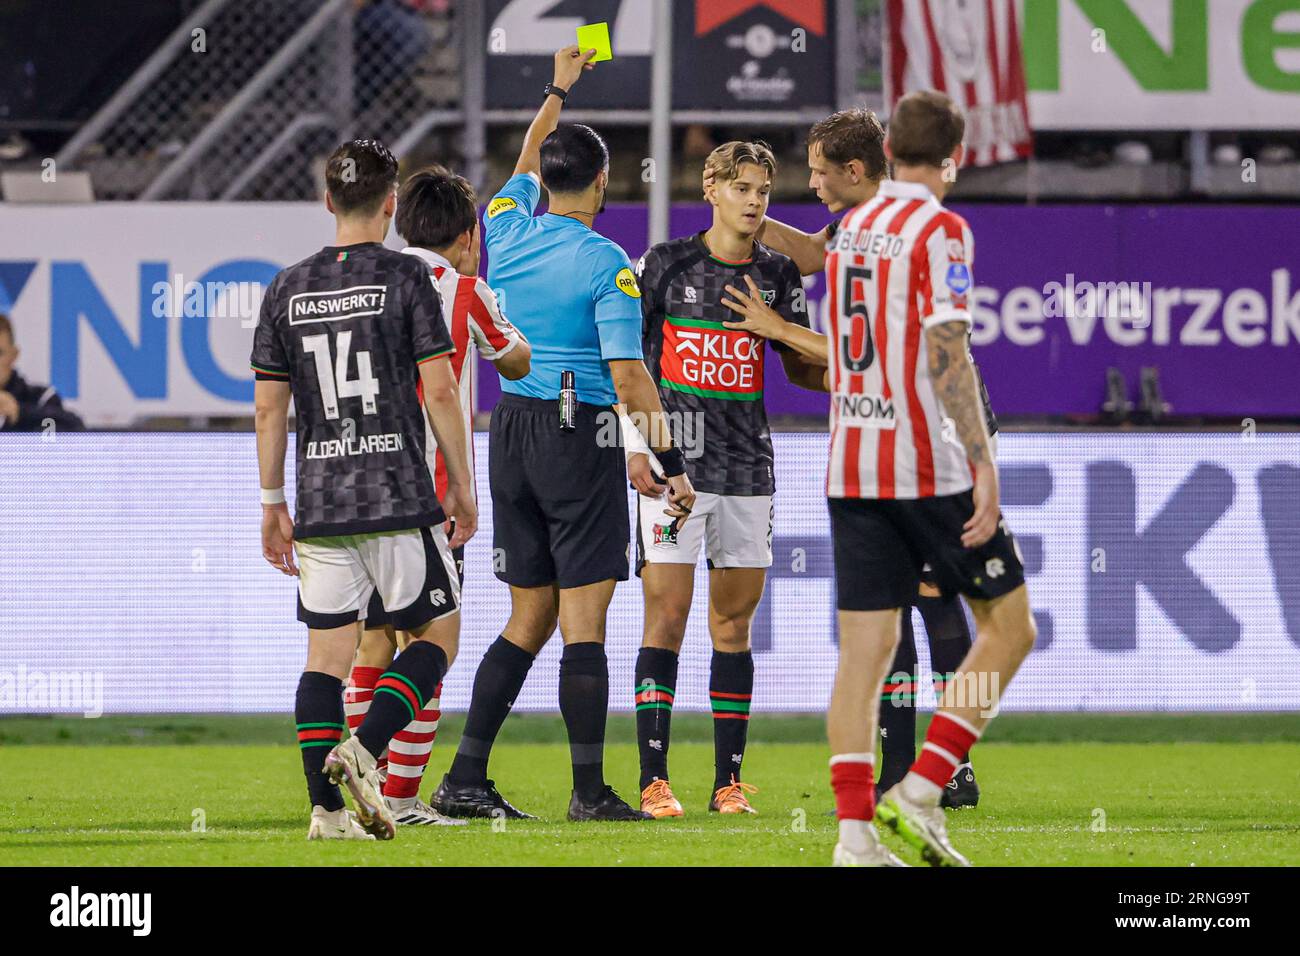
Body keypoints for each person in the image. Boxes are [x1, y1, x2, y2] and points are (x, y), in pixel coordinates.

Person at [430, 47, 696, 822]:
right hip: (578, 434)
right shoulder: (608, 261)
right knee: (582, 623)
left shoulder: (504, 227)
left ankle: (466, 779)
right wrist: (667, 461)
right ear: (605, 184)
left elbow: (522, 154)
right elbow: (630, 378)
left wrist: (556, 89)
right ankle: (587, 793)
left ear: (544, 182)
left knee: (529, 616)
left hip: (509, 429)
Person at [716, 108, 999, 809]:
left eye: (816, 171)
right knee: (901, 602)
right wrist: (738, 219)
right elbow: (811, 254)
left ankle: (947, 762)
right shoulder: (863, 225)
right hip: (893, 431)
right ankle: (907, 765)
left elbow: (867, 353)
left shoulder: (890, 233)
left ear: (854, 170)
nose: (805, 183)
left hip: (932, 427)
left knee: (936, 596)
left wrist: (778, 328)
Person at [820, 91, 1036, 866]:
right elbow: (947, 354)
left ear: (886, 156)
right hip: (924, 465)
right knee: (1011, 629)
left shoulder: (852, 228)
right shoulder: (942, 229)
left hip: (850, 463)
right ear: (954, 159)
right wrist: (984, 463)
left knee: (863, 659)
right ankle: (922, 789)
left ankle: (853, 839)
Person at [250, 139, 477, 841]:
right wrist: (464, 487)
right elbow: (439, 390)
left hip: (321, 501)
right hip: (398, 494)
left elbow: (269, 408)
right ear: (390, 203)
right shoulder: (406, 279)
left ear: (326, 202)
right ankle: (363, 750)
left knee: (327, 660)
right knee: (439, 635)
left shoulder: (287, 286)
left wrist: (271, 502)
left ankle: (324, 814)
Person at [627, 141, 826, 819]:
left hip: (748, 468)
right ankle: (654, 781)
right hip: (675, 470)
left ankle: (727, 784)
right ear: (710, 188)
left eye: (763, 191)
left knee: (732, 627)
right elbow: (631, 362)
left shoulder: (777, 274)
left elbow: (800, 365)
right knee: (668, 617)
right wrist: (636, 447)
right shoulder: (664, 265)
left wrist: (853, 376)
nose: (753, 200)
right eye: (740, 187)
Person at [343, 165, 530, 827]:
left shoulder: (363, 281)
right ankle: (395, 792)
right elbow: (516, 358)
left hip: (355, 488)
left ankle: (354, 784)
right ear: (467, 236)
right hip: (429, 493)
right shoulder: (463, 289)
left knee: (372, 644)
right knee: (433, 644)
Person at [0, 314, 84, 432]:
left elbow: (73, 428)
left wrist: (20, 412)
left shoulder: (41, 398)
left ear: (14, 355)